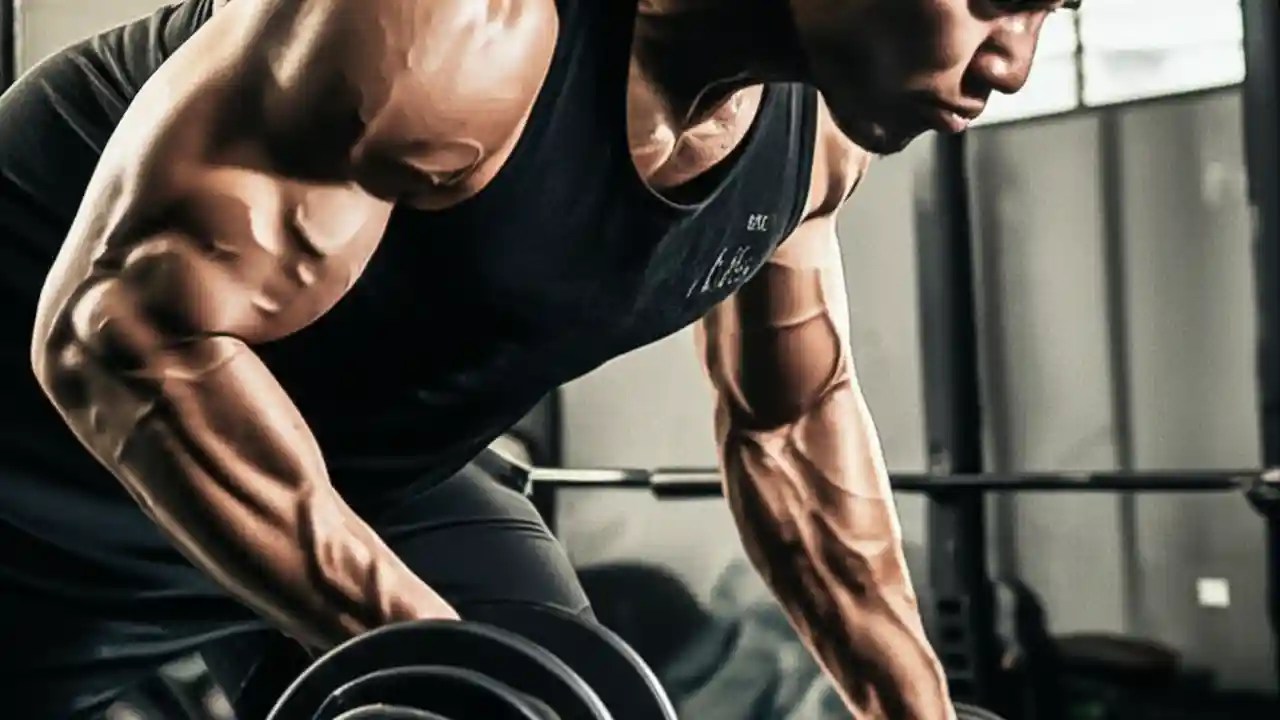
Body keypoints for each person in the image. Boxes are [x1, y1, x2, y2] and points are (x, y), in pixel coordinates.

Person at [0, 0, 1074, 717]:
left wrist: (912, 708)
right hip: (46, 478)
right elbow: (121, 337)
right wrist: (469, 675)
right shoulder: (451, 29)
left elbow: (789, 425)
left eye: (1049, 10)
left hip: (364, 473)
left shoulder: (811, 142)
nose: (1012, 63)